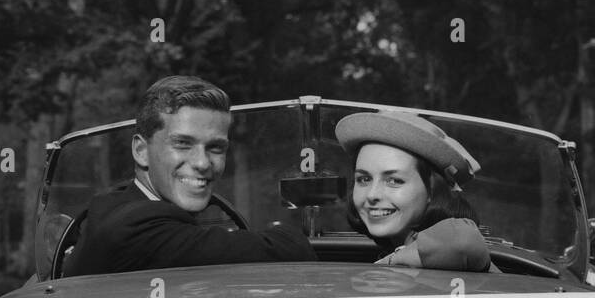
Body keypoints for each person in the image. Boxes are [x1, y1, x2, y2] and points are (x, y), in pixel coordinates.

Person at [62, 76, 316, 276]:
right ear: (141, 151)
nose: (203, 163)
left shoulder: (115, 203)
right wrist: (293, 239)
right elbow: (280, 251)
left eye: (216, 148)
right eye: (183, 144)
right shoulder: (135, 229)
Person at [335, 110, 492, 272]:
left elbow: (463, 241)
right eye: (364, 179)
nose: (372, 195)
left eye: (394, 181)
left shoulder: (453, 244)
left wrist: (383, 266)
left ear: (432, 189)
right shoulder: (402, 248)